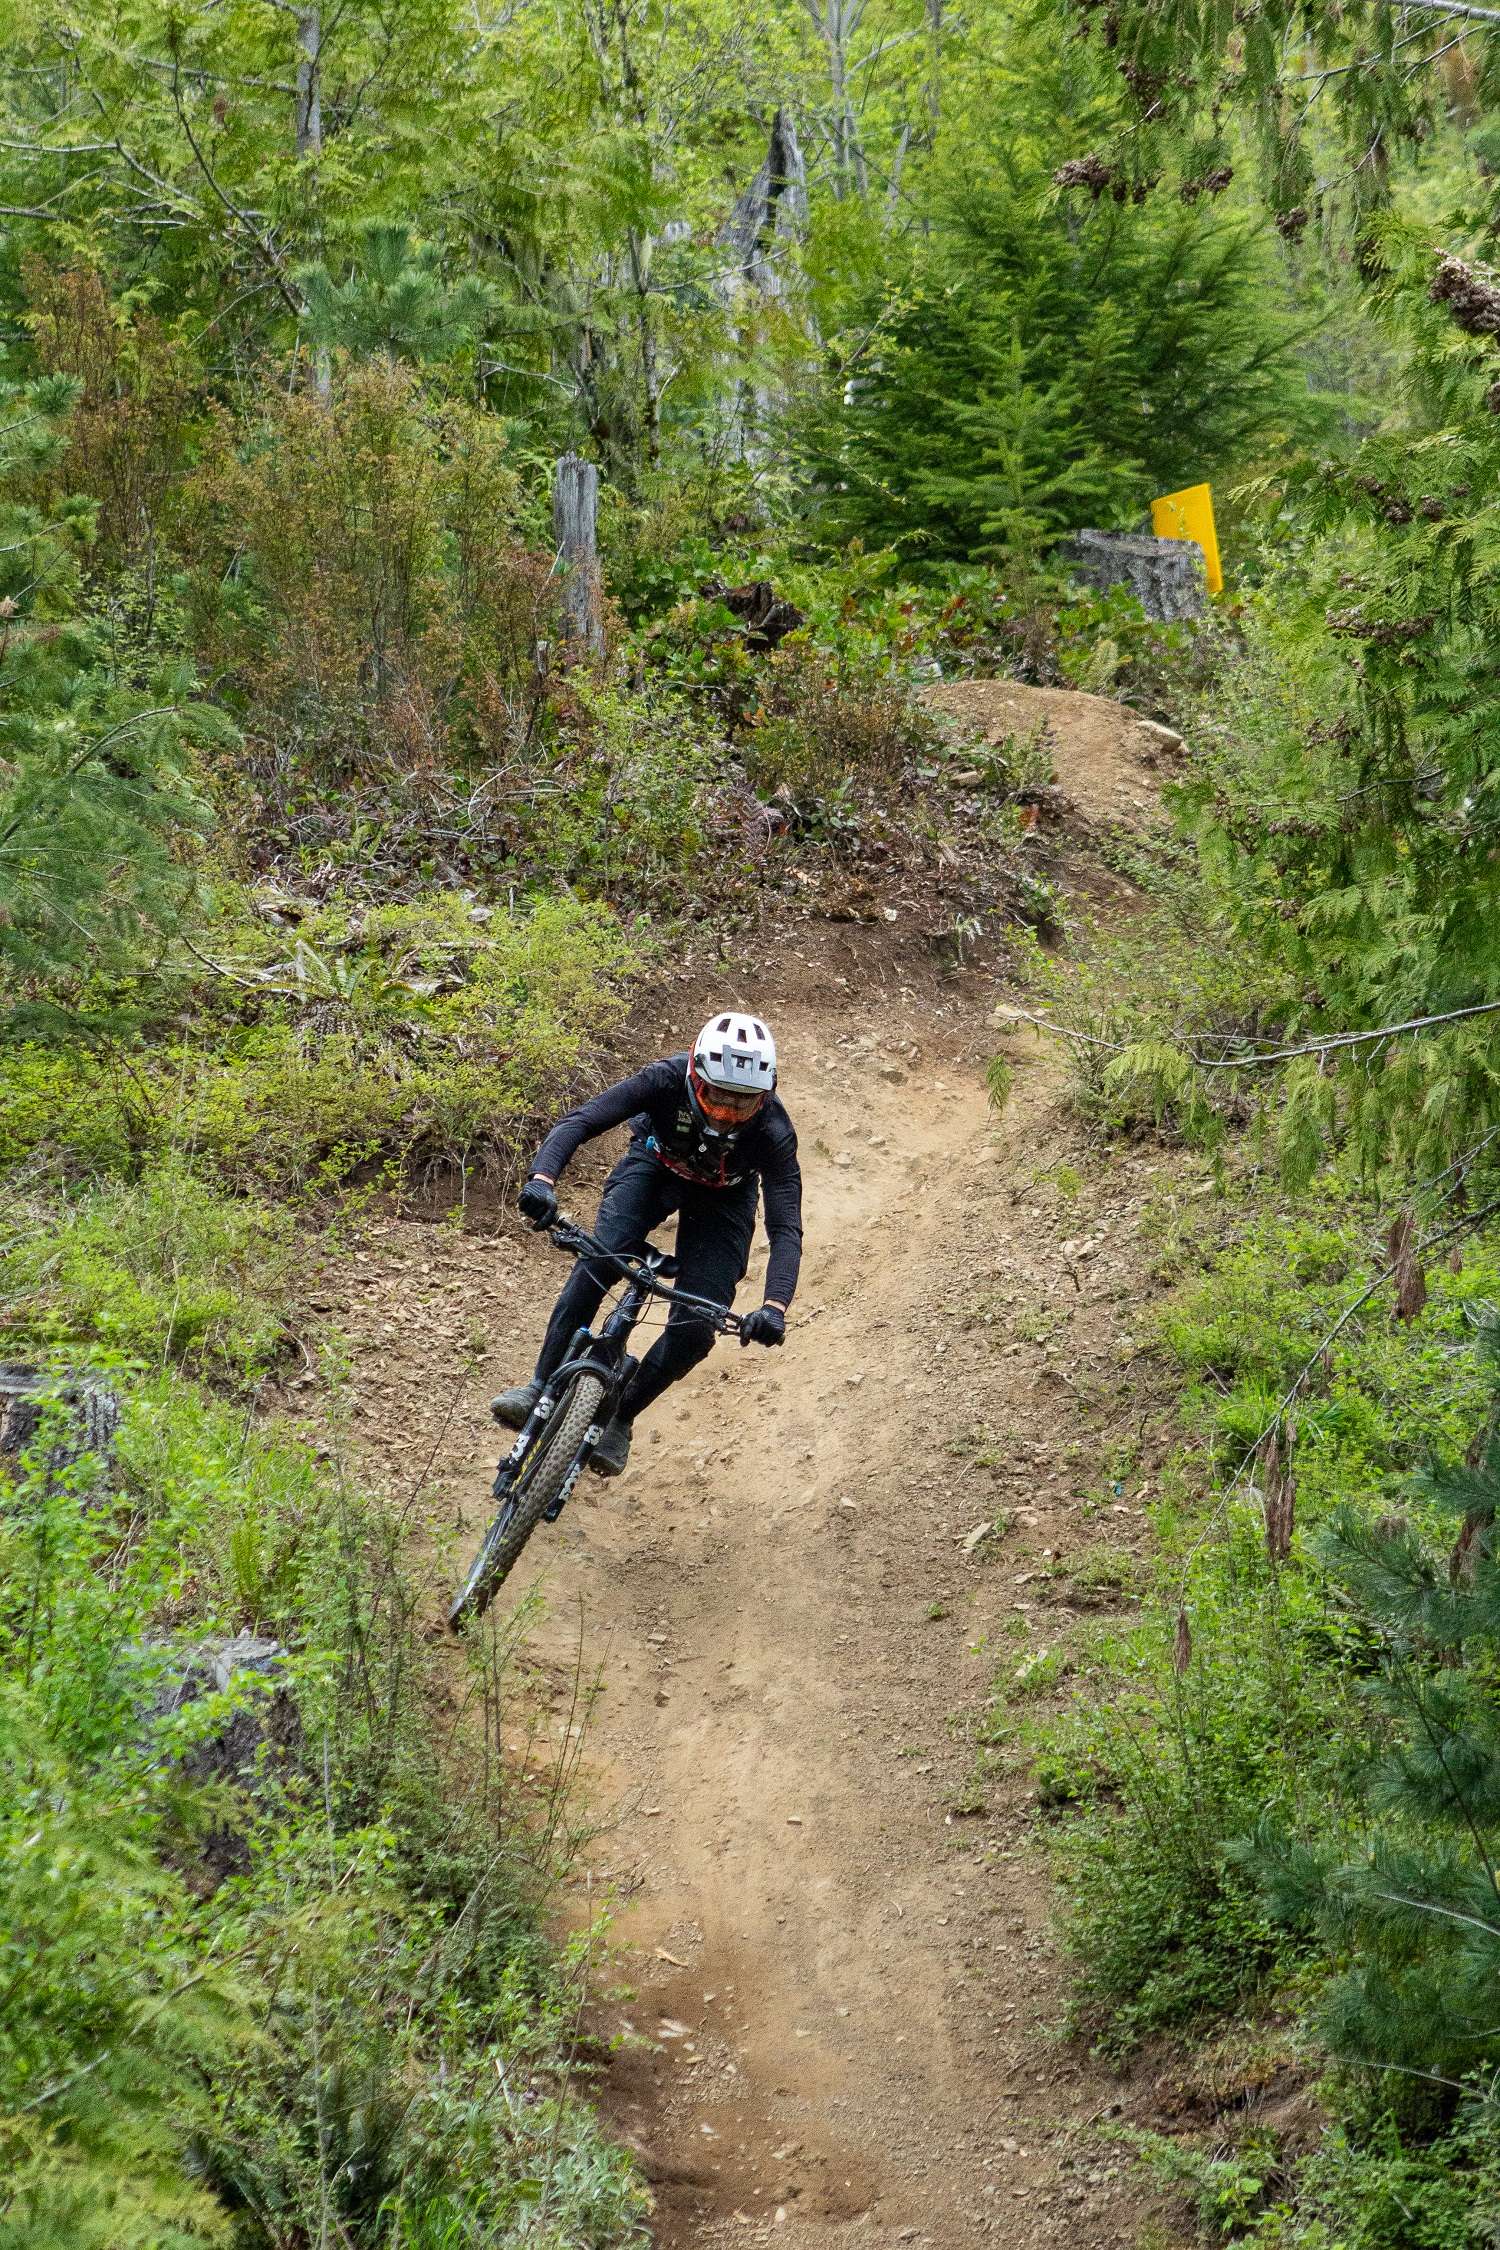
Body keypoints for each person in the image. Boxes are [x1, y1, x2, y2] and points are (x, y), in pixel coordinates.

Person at [491, 1011, 803, 1478]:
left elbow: (786, 1227)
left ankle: (620, 1417)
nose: (726, 1114)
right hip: (653, 1168)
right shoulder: (664, 1078)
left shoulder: (774, 1132)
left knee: (697, 1325)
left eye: (743, 1104)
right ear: (695, 1077)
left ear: (767, 1093)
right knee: (600, 1260)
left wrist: (774, 1306)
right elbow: (581, 1122)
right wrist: (541, 1180)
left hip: (725, 1197)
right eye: (717, 1097)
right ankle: (538, 1384)